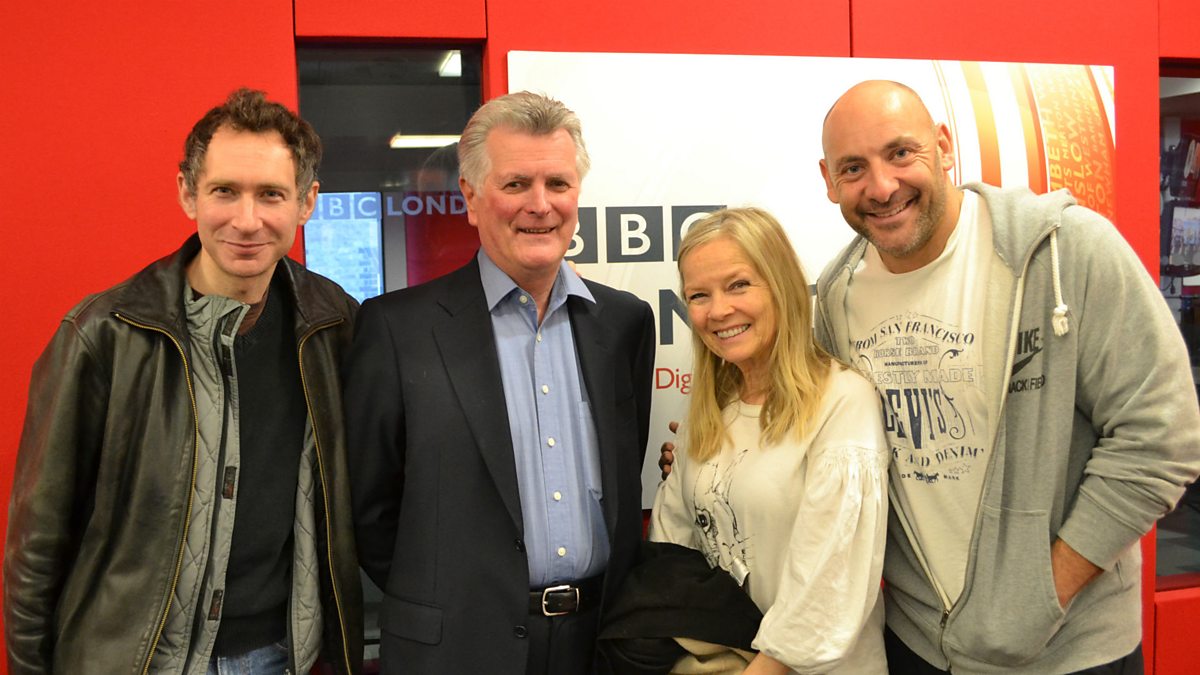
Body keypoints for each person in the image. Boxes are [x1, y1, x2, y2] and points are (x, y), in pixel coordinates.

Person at [812, 80, 1200, 673]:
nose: (882, 186)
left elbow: (1160, 440)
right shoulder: (837, 296)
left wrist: (1042, 596)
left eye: (900, 153)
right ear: (829, 179)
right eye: (853, 167)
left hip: (1068, 651)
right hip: (917, 645)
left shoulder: (1066, 251)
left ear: (943, 145)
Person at [3, 89, 363, 675]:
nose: (247, 220)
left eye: (271, 194)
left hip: (284, 657)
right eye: (225, 191)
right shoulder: (104, 334)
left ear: (307, 203)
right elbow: (37, 546)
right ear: (187, 193)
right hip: (130, 661)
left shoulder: (335, 326)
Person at [343, 91, 656, 674]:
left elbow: (624, 474)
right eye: (516, 185)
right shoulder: (395, 329)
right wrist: (455, 596)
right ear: (470, 197)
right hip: (457, 646)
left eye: (558, 184)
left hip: (602, 646)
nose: (540, 205)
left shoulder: (624, 323)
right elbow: (371, 512)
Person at [648, 207, 889, 674]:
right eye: (699, 294)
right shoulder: (707, 411)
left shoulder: (842, 402)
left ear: (780, 286)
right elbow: (672, 552)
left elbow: (828, 585)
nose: (718, 310)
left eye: (738, 285)